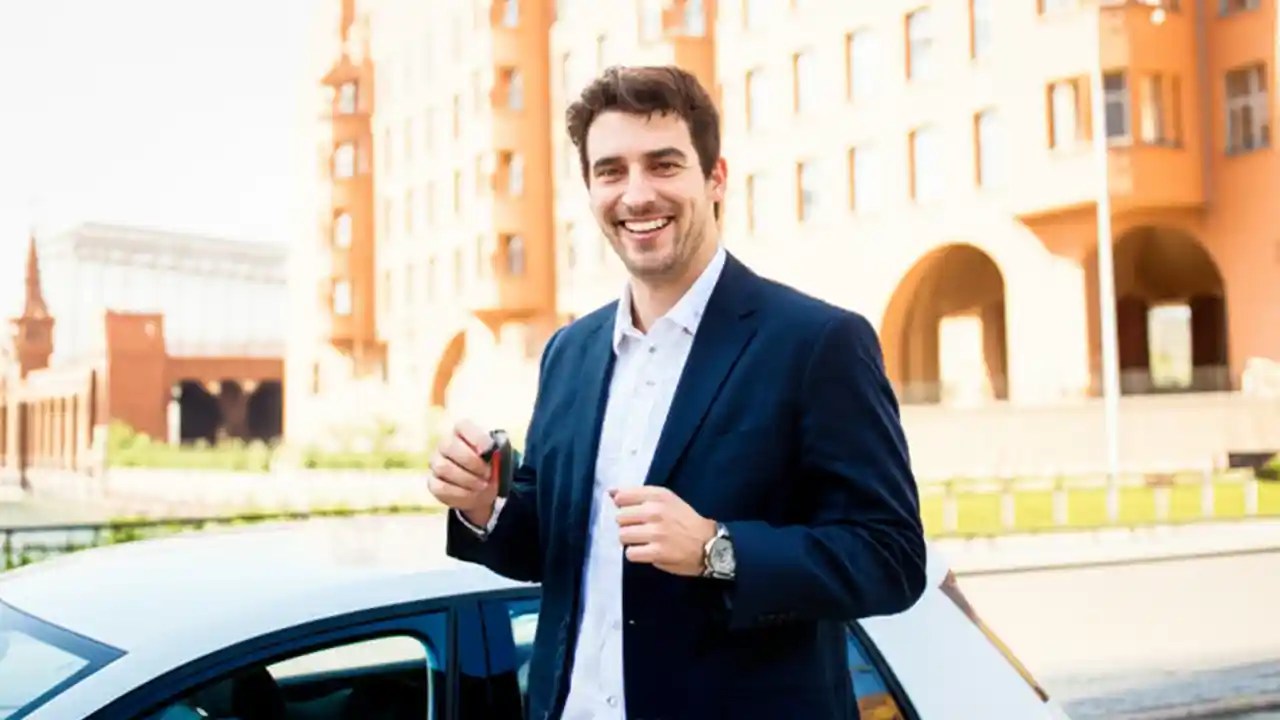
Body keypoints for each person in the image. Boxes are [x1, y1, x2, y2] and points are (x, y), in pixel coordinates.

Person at [428, 64, 927, 720]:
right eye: (611, 171)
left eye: (663, 165)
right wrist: (483, 506)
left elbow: (891, 558)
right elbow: (557, 552)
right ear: (590, 190)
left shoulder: (817, 343)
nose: (636, 195)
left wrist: (718, 549)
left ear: (715, 178)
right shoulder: (569, 353)